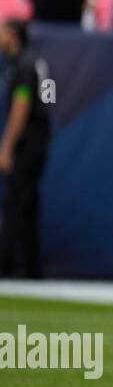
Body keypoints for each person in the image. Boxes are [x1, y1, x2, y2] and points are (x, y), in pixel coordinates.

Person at [0, 20, 50, 278]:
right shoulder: (36, 62)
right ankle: (32, 268)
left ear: (13, 35)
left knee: (14, 202)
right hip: (39, 140)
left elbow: (21, 107)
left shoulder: (22, 66)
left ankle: (6, 262)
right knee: (28, 204)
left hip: (27, 142)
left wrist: (7, 147)